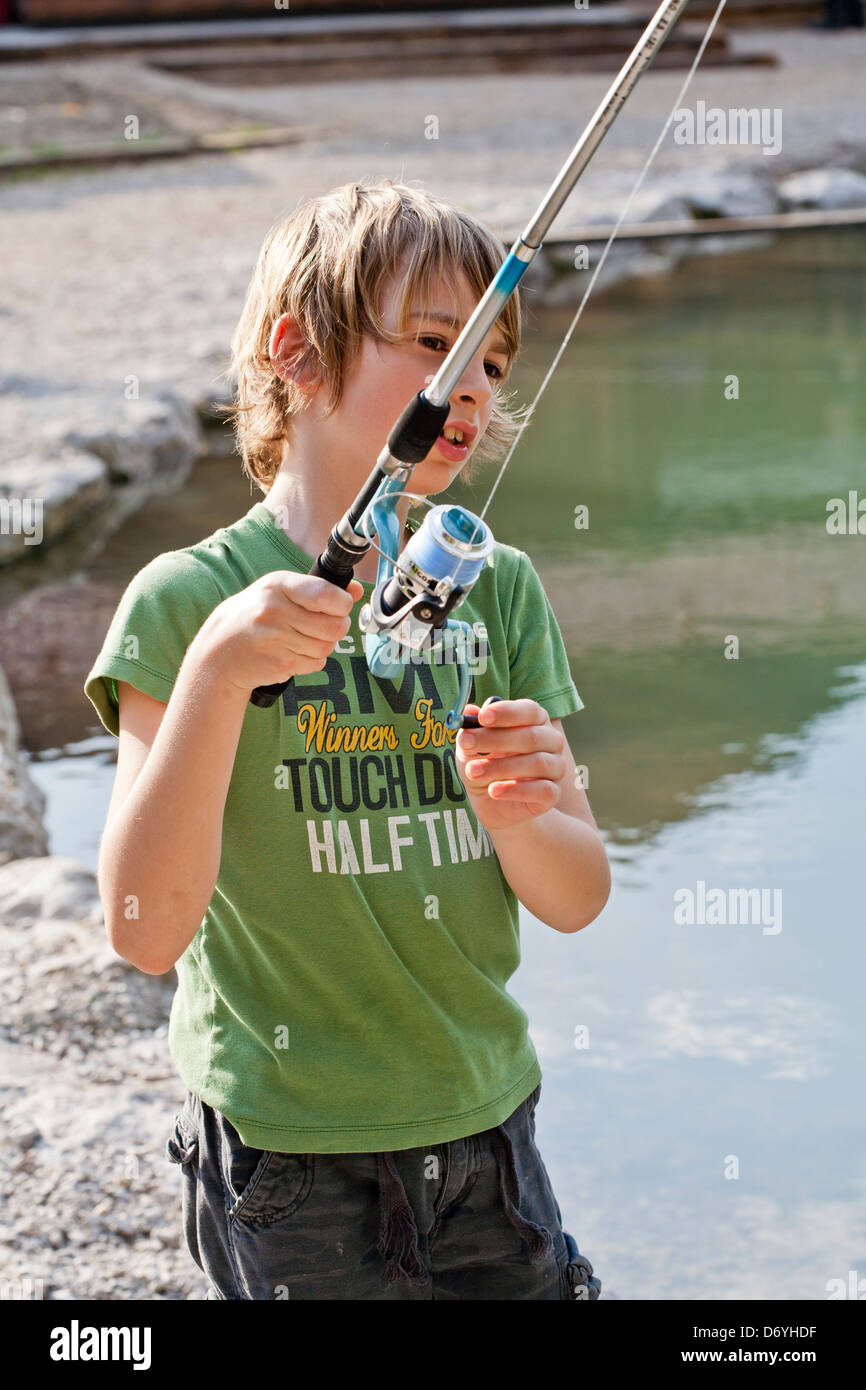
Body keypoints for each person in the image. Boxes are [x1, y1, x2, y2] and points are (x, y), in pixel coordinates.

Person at [84, 177, 611, 1300]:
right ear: (299, 353)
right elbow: (142, 928)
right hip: (290, 1153)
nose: (469, 388)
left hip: (487, 1132)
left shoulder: (499, 590)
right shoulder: (184, 605)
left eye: (492, 364)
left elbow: (573, 896)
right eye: (437, 343)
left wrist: (526, 809)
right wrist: (221, 673)